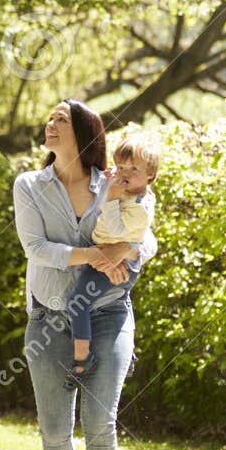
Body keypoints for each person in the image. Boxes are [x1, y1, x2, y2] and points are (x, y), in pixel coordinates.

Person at [12, 100, 150, 450]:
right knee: (54, 428)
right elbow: (36, 249)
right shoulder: (30, 185)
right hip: (49, 317)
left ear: (84, 131)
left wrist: (124, 253)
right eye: (48, 117)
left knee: (99, 421)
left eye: (61, 119)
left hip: (109, 314)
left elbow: (147, 242)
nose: (49, 124)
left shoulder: (116, 181)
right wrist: (94, 254)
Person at [62, 134, 160, 387]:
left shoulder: (139, 207)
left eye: (134, 169)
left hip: (112, 257)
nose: (124, 173)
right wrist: (112, 182)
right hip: (105, 253)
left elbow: (117, 231)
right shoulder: (126, 189)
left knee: (78, 303)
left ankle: (82, 360)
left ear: (151, 174)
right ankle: (126, 354)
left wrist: (111, 198)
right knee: (113, 301)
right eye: (121, 166)